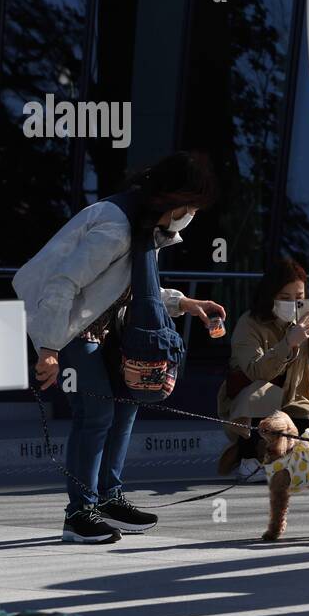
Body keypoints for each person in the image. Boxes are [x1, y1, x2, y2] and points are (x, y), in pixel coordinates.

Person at [13, 152, 226, 544]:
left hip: (105, 323)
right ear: (170, 200)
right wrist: (47, 348)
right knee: (96, 413)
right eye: (188, 207)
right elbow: (62, 283)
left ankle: (109, 498)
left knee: (128, 400)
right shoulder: (116, 227)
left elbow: (130, 287)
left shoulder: (145, 226)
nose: (189, 216)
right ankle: (79, 513)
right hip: (67, 324)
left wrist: (185, 304)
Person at [216, 257, 309, 480]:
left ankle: (290, 460)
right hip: (250, 399)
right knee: (261, 395)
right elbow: (256, 370)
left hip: (293, 399)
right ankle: (250, 457)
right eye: (284, 298)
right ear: (270, 296)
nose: (293, 304)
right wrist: (287, 344)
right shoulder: (248, 324)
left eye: (299, 298)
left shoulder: (303, 317)